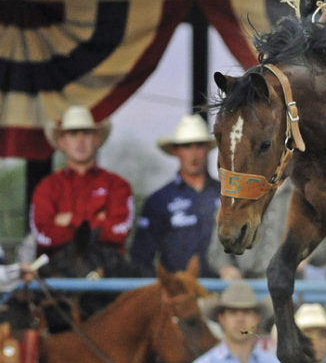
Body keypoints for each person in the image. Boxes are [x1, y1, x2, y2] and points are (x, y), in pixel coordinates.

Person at [30, 105, 134, 259]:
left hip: (105, 272)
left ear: (96, 139)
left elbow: (118, 234)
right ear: (62, 142)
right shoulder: (47, 187)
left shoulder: (117, 185)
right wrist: (98, 222)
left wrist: (70, 220)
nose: (80, 140)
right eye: (72, 134)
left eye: (86, 133)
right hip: (58, 274)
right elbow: (43, 236)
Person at [130, 113, 219, 278]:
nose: (194, 153)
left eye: (199, 145)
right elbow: (141, 257)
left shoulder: (227, 196)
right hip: (178, 296)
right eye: (186, 146)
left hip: (224, 292)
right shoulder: (158, 201)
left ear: (207, 149)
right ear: (176, 151)